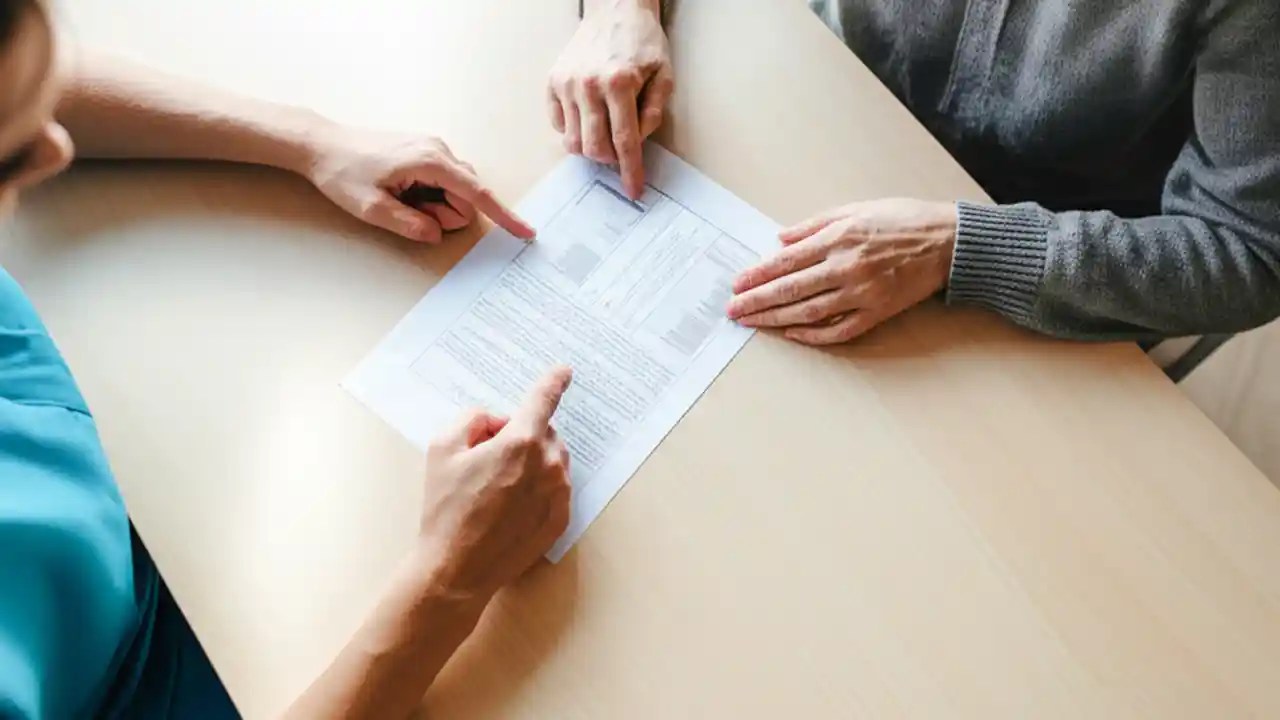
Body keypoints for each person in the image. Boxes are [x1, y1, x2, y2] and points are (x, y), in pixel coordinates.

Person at [0, 1, 573, 717]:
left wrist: (311, 143)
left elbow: (23, 80)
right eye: (13, 154)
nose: (55, 148)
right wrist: (450, 581)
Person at [549, 0, 1280, 346]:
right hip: (797, 131)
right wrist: (623, 10)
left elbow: (1250, 249)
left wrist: (965, 247)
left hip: (1028, 284)